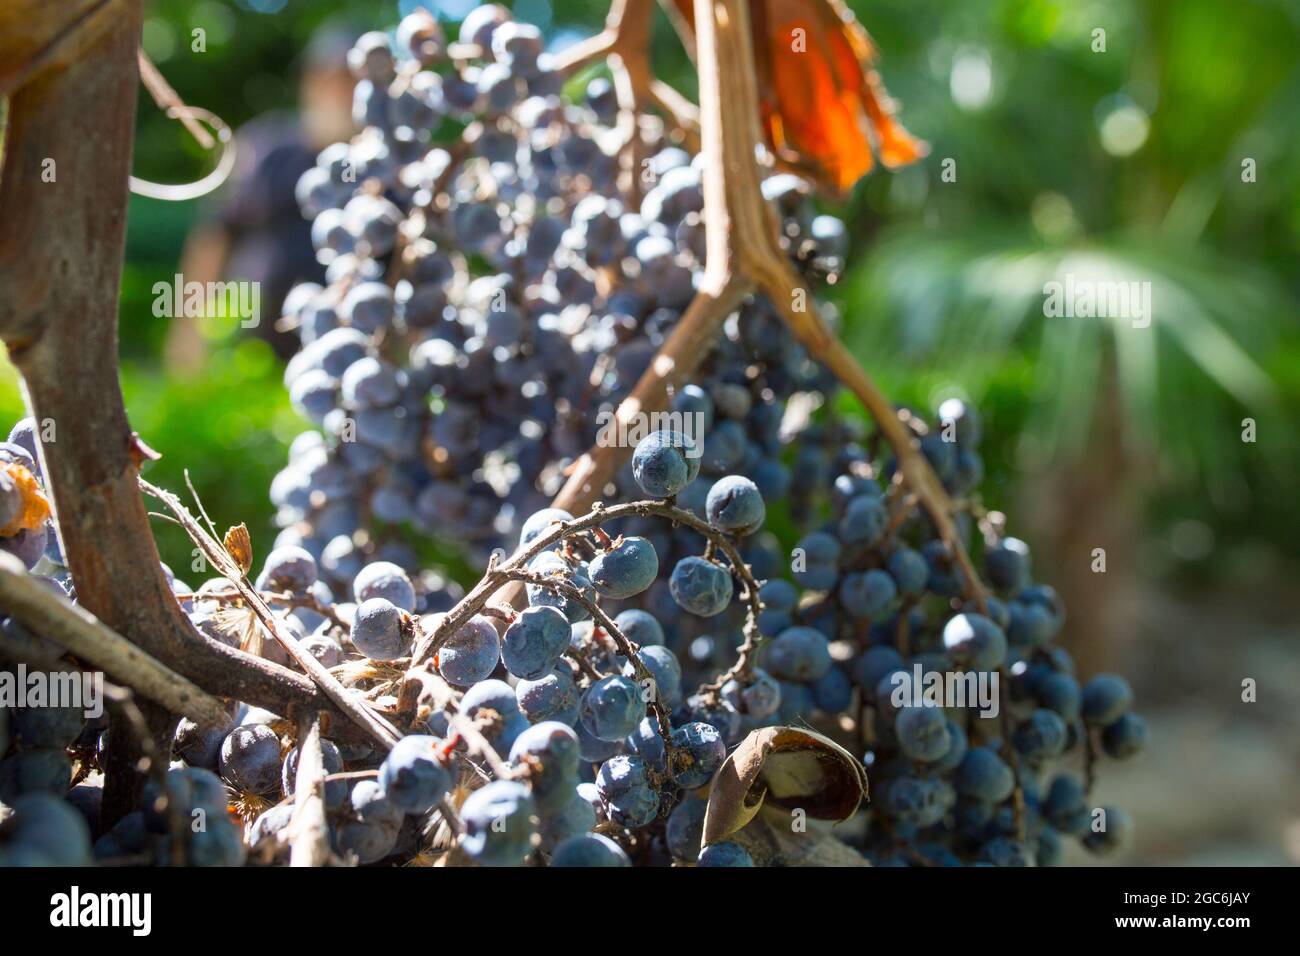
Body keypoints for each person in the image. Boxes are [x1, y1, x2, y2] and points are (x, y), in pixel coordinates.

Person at [165, 27, 356, 370]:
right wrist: (187, 334)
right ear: (307, 82)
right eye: (329, 79)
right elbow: (214, 239)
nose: (339, 93)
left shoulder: (382, 167)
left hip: (346, 364)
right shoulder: (268, 146)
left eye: (350, 82)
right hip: (250, 356)